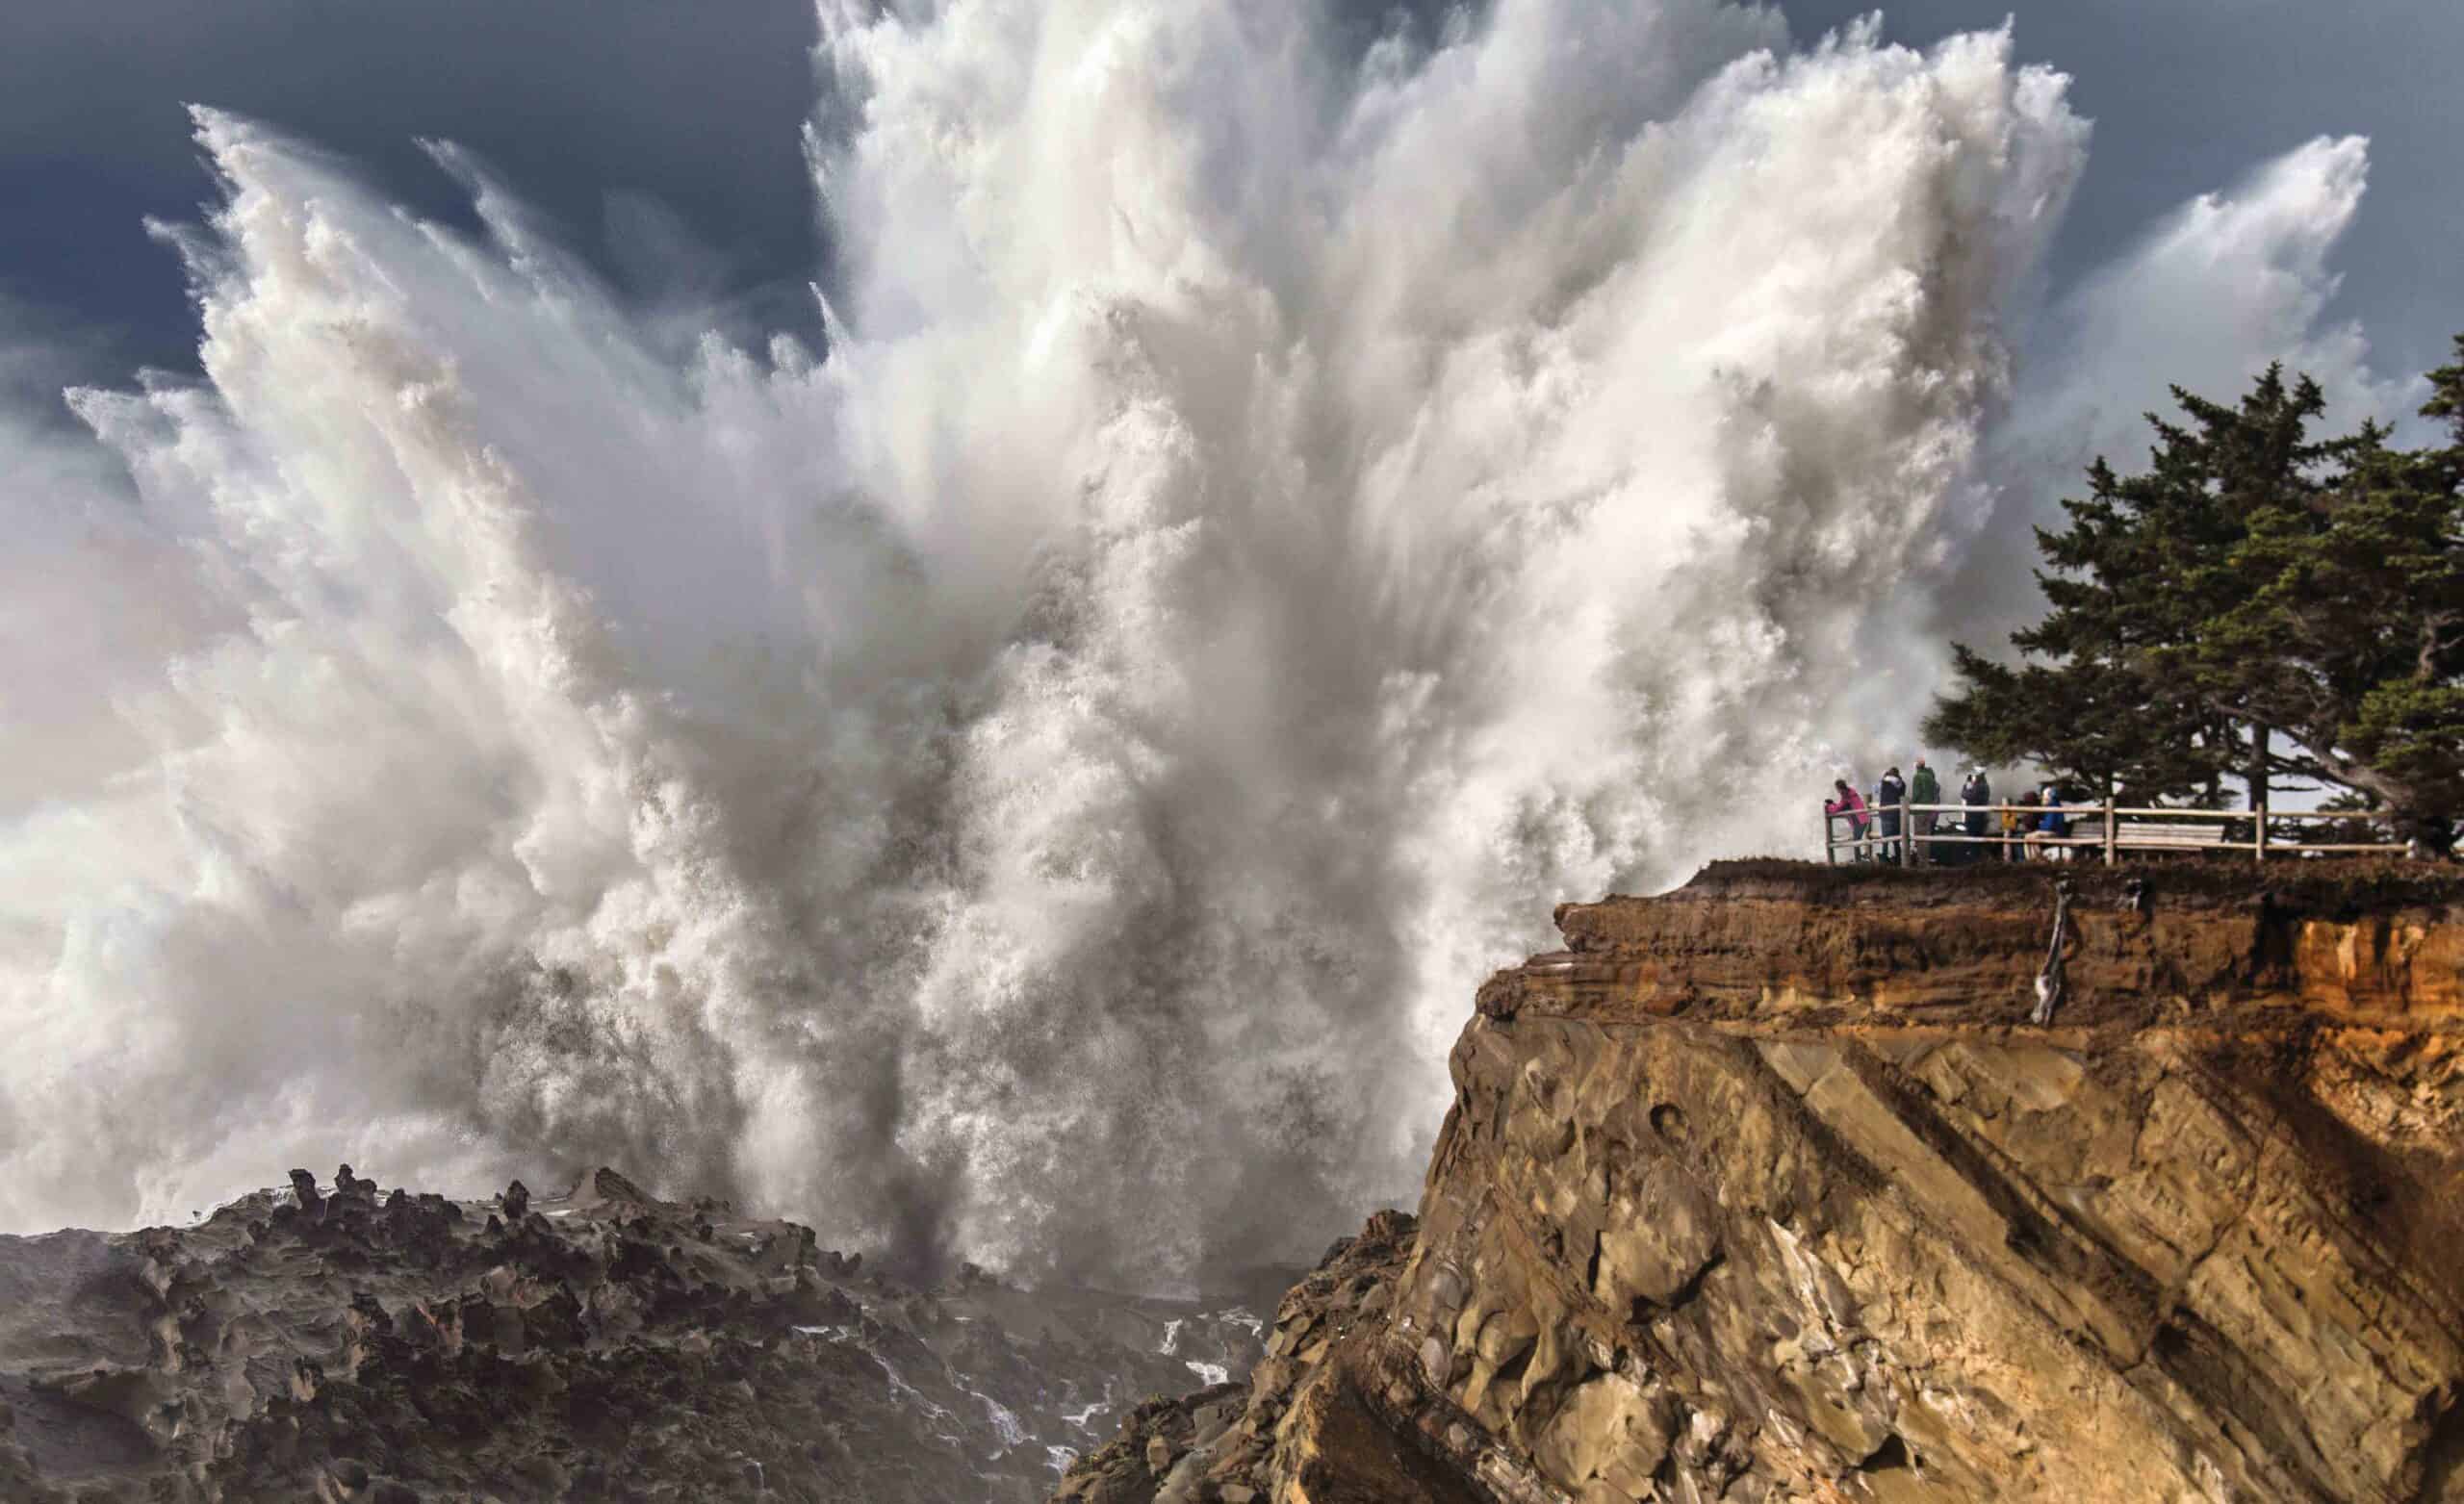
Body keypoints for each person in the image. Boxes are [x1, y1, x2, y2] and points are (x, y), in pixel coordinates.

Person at [1826, 778, 1871, 860]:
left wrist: (1828, 806)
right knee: (1856, 840)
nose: (1837, 791)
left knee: (1856, 841)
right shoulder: (1850, 792)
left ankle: (1859, 860)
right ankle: (1861, 858)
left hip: (1860, 821)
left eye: (1837, 789)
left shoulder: (1846, 796)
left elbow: (1837, 809)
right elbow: (1842, 806)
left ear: (1839, 788)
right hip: (1862, 820)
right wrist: (1833, 804)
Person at [1910, 757, 1941, 863]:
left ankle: (1921, 860)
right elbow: (1934, 794)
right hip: (1929, 809)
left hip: (1919, 810)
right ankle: (1925, 859)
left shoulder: (1917, 777)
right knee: (1927, 835)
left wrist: (1910, 806)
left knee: (1919, 835)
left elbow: (1916, 794)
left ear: (1917, 767)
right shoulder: (1930, 777)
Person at [1961, 767, 1992, 865]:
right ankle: (1978, 861)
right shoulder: (1985, 785)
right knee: (1978, 841)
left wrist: (1966, 787)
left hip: (1974, 818)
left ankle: (1975, 862)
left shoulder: (1979, 786)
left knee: (1973, 841)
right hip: (1980, 817)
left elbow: (1966, 795)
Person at [1876, 766, 1907, 862]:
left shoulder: (1883, 782)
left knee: (1885, 838)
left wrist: (1883, 778)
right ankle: (1898, 858)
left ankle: (1884, 857)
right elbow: (1902, 794)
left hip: (1885, 813)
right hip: (1896, 814)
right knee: (1896, 839)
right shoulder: (1902, 784)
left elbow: (1876, 791)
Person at [2007, 788, 2040, 860]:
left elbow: (2030, 823)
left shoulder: (2034, 809)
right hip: (2032, 830)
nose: (2026, 803)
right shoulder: (2035, 806)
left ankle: (2021, 860)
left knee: (2017, 838)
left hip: (2031, 831)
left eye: (2026, 801)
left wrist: (2021, 820)